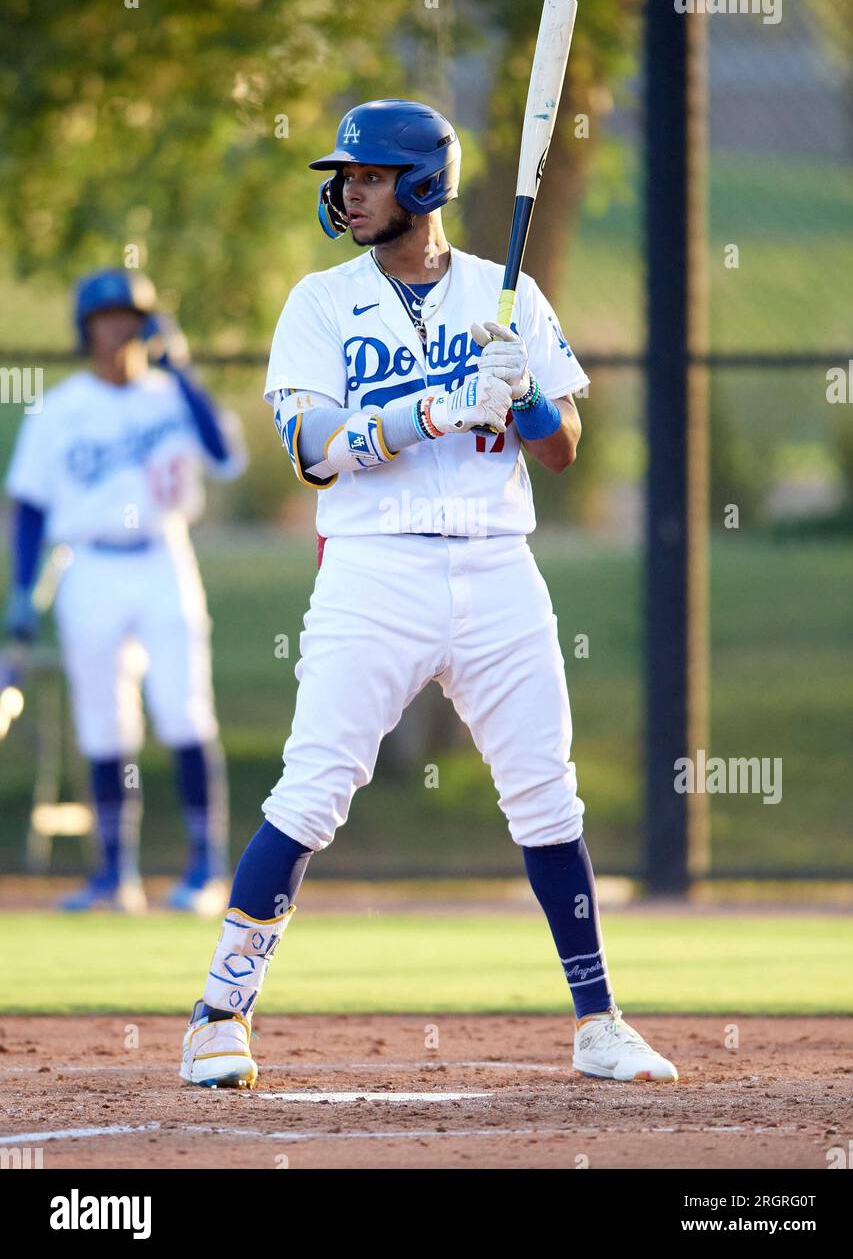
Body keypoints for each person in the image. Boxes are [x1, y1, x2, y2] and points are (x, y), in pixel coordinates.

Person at [180, 99, 677, 1085]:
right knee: (314, 785)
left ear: (419, 185)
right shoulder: (319, 304)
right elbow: (311, 450)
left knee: (544, 792)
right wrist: (431, 410)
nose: (347, 191)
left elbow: (563, 448)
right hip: (374, 568)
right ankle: (217, 1013)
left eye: (366, 176)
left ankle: (596, 1023)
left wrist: (524, 391)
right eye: (346, 177)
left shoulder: (507, 294)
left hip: (497, 565)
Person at [3, 269, 247, 914]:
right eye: (104, 319)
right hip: (89, 565)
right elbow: (28, 508)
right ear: (86, 332)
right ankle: (116, 876)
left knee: (184, 710)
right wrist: (22, 593)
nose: (116, 329)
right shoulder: (60, 409)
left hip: (164, 557)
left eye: (128, 317)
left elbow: (226, 455)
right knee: (104, 723)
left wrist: (187, 373)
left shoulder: (172, 394)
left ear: (146, 325)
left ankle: (205, 871)